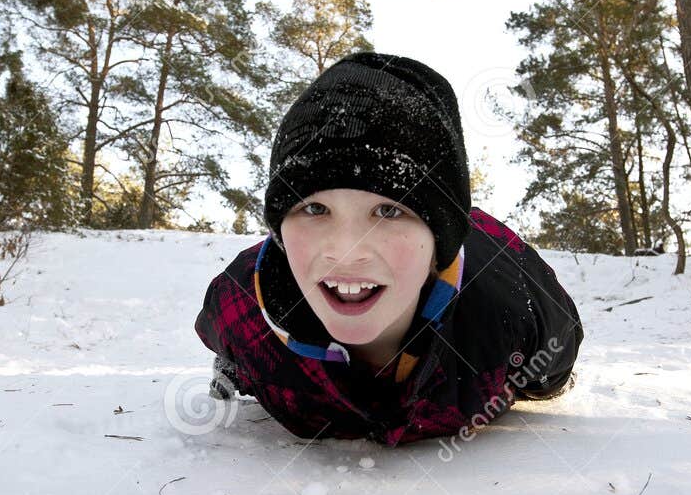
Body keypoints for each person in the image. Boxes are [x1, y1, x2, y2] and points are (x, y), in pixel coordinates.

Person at [193, 51, 582, 447]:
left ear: (439, 241)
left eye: (388, 211)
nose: (345, 252)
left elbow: (557, 355)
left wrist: (541, 385)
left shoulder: (511, 315)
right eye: (314, 208)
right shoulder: (241, 306)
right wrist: (241, 368)